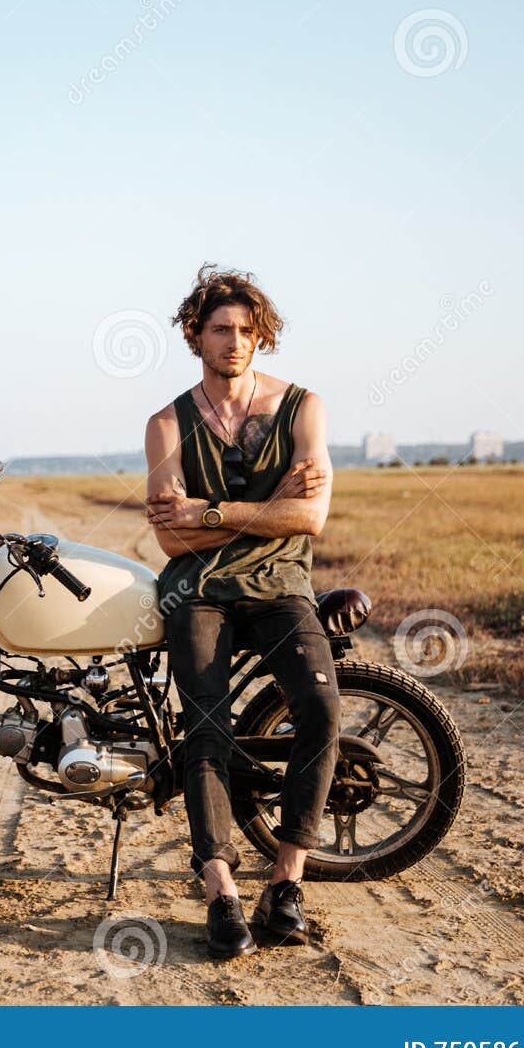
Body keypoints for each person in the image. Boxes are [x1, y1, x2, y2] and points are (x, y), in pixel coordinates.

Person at [143, 263, 341, 959]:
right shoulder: (167, 424)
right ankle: (221, 890)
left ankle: (286, 881)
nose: (236, 342)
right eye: (222, 329)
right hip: (195, 590)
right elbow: (171, 537)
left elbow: (310, 517)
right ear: (195, 334)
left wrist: (213, 510)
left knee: (320, 709)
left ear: (262, 338)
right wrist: (266, 510)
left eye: (248, 331)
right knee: (204, 725)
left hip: (282, 585)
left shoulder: (302, 407)